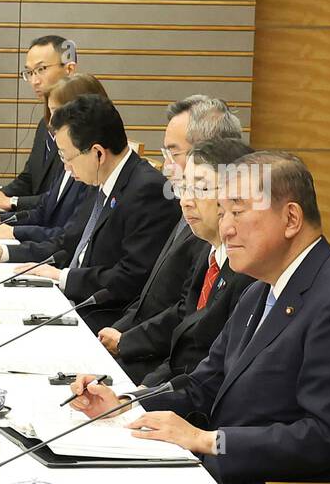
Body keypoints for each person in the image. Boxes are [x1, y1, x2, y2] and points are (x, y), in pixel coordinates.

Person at [68, 152, 330, 484]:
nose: (225, 227)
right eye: (222, 212)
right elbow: (206, 381)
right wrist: (126, 404)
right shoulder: (261, 288)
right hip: (237, 481)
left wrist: (209, 441)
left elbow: (323, 438)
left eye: (238, 211)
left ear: (291, 219)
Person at [0, 94, 180, 329]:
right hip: (71, 299)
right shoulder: (99, 177)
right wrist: (7, 254)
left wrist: (63, 277)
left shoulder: (147, 190)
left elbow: (132, 277)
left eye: (67, 157)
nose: (66, 168)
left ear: (98, 153)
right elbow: (68, 241)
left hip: (103, 316)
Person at [97, 96, 244, 364]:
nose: (166, 166)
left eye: (173, 153)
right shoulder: (191, 210)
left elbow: (190, 327)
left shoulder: (227, 239)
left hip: (162, 361)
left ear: (207, 151)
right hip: (154, 357)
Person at [106, 138, 257, 386]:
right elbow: (184, 330)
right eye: (184, 188)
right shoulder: (207, 251)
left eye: (201, 189)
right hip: (170, 379)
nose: (186, 200)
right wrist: (143, 391)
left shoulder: (248, 272)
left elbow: (207, 364)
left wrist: (143, 396)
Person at [0, 73, 102, 248]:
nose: (51, 121)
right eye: (51, 111)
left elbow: (70, 236)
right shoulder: (65, 151)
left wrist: (11, 233)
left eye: (58, 112)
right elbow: (45, 209)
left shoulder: (91, 164)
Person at [0, 35, 77, 212]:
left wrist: (12, 202)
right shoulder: (45, 125)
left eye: (41, 69)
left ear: (69, 70)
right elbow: (29, 179)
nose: (34, 81)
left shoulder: (84, 127)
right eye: (29, 72)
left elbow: (62, 199)